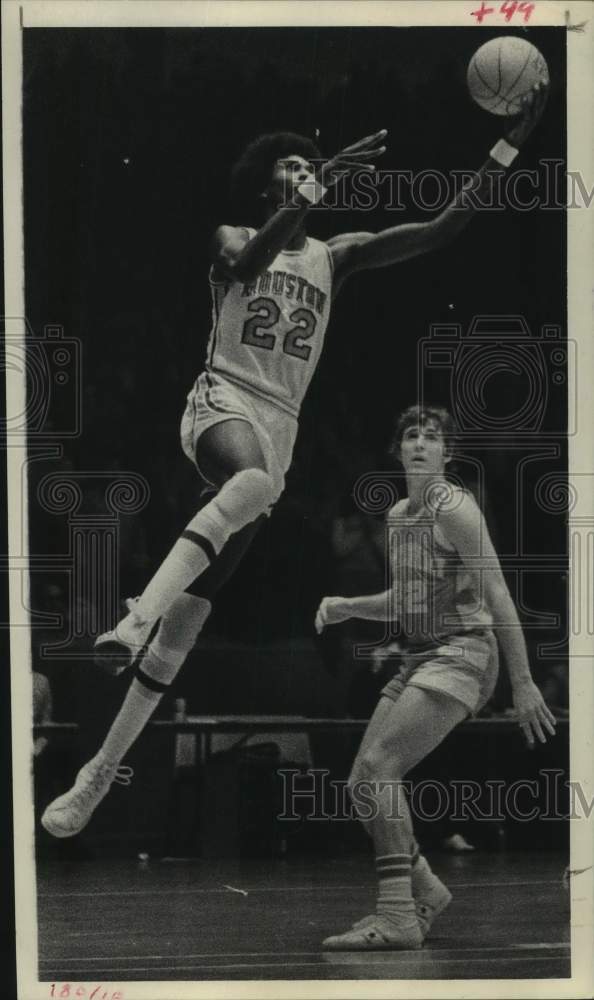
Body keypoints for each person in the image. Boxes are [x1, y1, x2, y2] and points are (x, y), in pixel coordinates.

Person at [42, 84, 547, 840]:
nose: (303, 170)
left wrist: (511, 143)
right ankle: (135, 615)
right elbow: (249, 263)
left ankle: (97, 774)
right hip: (223, 400)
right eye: (291, 165)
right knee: (243, 490)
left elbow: (444, 227)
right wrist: (316, 184)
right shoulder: (233, 233)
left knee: (189, 623)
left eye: (310, 165)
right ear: (265, 182)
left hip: (281, 427)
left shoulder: (335, 257)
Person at [314, 404, 557, 951]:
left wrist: (522, 681)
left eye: (432, 437)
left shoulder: (456, 507)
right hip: (421, 656)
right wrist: (347, 605)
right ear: (398, 449)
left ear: (448, 452)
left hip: (465, 653)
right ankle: (424, 888)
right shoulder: (399, 514)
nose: (421, 443)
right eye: (411, 435)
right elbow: (407, 600)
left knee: (380, 768)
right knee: (360, 786)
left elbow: (499, 594)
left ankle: (398, 916)